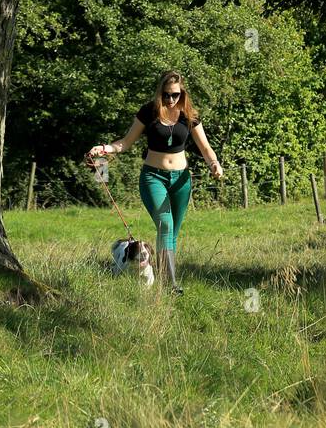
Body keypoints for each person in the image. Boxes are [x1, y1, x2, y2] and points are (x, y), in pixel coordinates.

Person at [88, 71, 224, 293]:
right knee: (165, 225)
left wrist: (214, 164)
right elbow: (125, 142)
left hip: (181, 180)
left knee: (171, 233)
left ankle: (159, 278)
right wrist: (104, 149)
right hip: (153, 177)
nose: (171, 100)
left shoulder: (189, 114)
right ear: (160, 93)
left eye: (176, 95)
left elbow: (205, 148)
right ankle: (172, 285)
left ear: (182, 94)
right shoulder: (149, 112)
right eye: (167, 95)